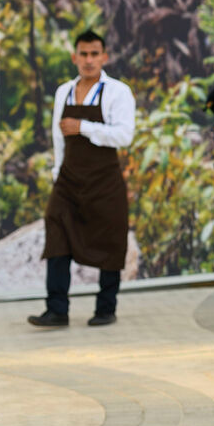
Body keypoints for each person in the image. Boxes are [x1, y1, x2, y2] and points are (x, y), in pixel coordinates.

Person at [30, 30, 135, 329]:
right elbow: (57, 136)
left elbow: (124, 135)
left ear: (105, 56)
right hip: (68, 179)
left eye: (94, 54)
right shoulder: (64, 91)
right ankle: (56, 309)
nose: (89, 60)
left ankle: (105, 308)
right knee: (56, 233)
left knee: (109, 240)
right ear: (74, 57)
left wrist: (84, 127)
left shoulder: (117, 92)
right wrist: (57, 172)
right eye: (83, 54)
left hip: (103, 180)